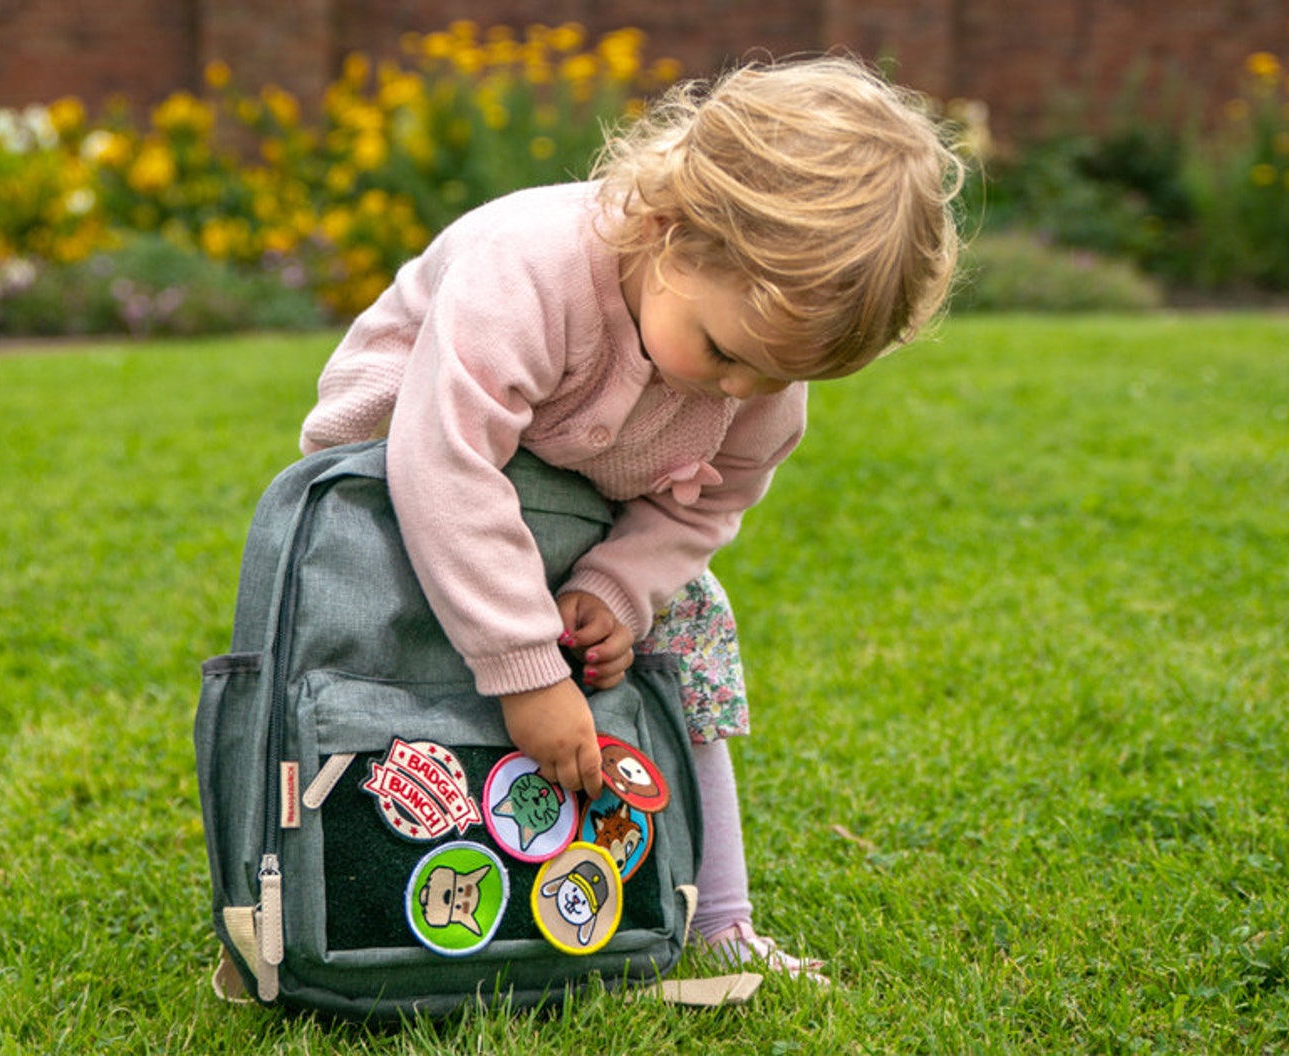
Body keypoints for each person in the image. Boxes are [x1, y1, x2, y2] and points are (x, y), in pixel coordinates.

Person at [299, 54, 963, 981]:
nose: (743, 392)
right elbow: (441, 462)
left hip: (586, 493)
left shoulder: (757, 381)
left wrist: (619, 585)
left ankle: (719, 917)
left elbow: (714, 501)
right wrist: (528, 671)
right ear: (669, 230)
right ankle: (343, 877)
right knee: (417, 648)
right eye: (726, 353)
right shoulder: (530, 271)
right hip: (407, 471)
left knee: (691, 626)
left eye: (783, 374)